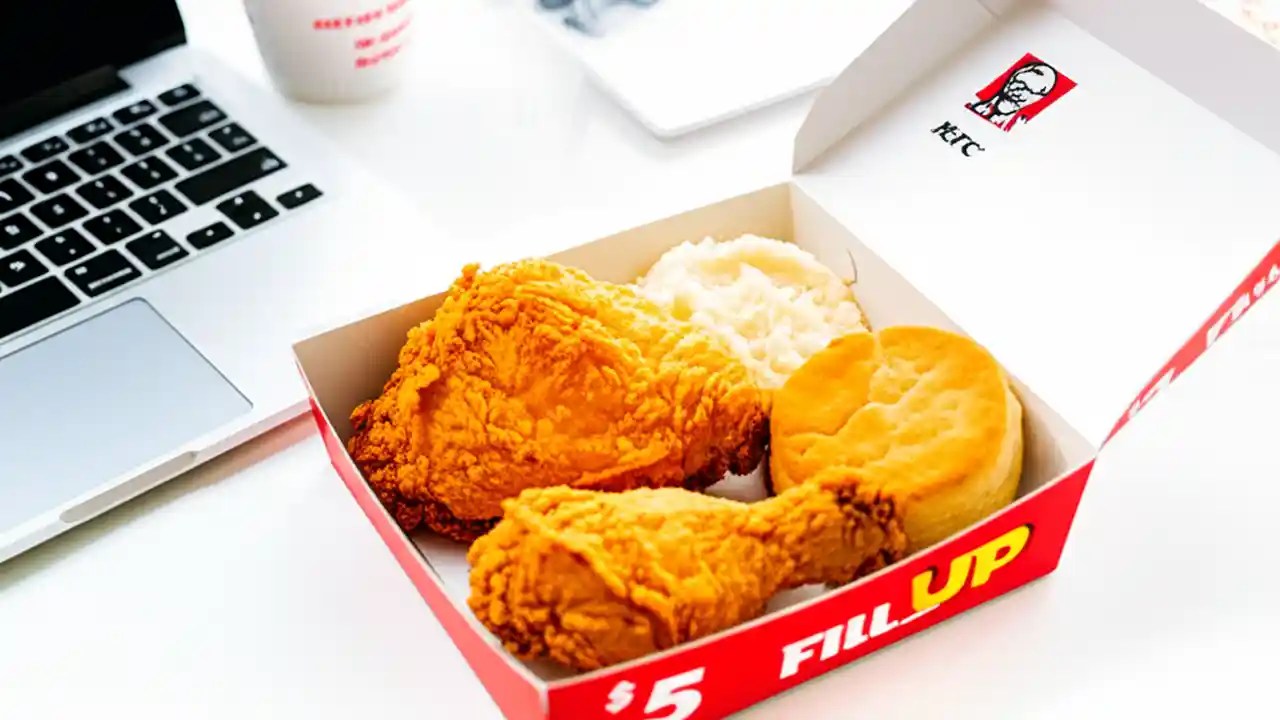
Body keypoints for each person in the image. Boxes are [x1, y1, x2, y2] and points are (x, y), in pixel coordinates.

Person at [967, 62, 1058, 131]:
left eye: (1031, 93)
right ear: (1013, 77)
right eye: (1021, 86)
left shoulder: (1017, 127)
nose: (1019, 95)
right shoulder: (973, 103)